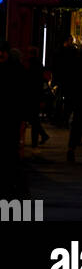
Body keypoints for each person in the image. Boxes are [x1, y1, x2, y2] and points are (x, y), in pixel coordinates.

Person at [0, 41, 28, 195]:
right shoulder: (17, 71)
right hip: (12, 119)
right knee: (12, 156)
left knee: (10, 155)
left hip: (10, 119)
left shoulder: (12, 71)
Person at [23, 46, 50, 146]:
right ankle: (42, 135)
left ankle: (39, 138)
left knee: (32, 118)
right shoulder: (39, 65)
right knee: (33, 118)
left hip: (31, 95)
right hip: (36, 95)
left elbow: (30, 81)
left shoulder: (30, 65)